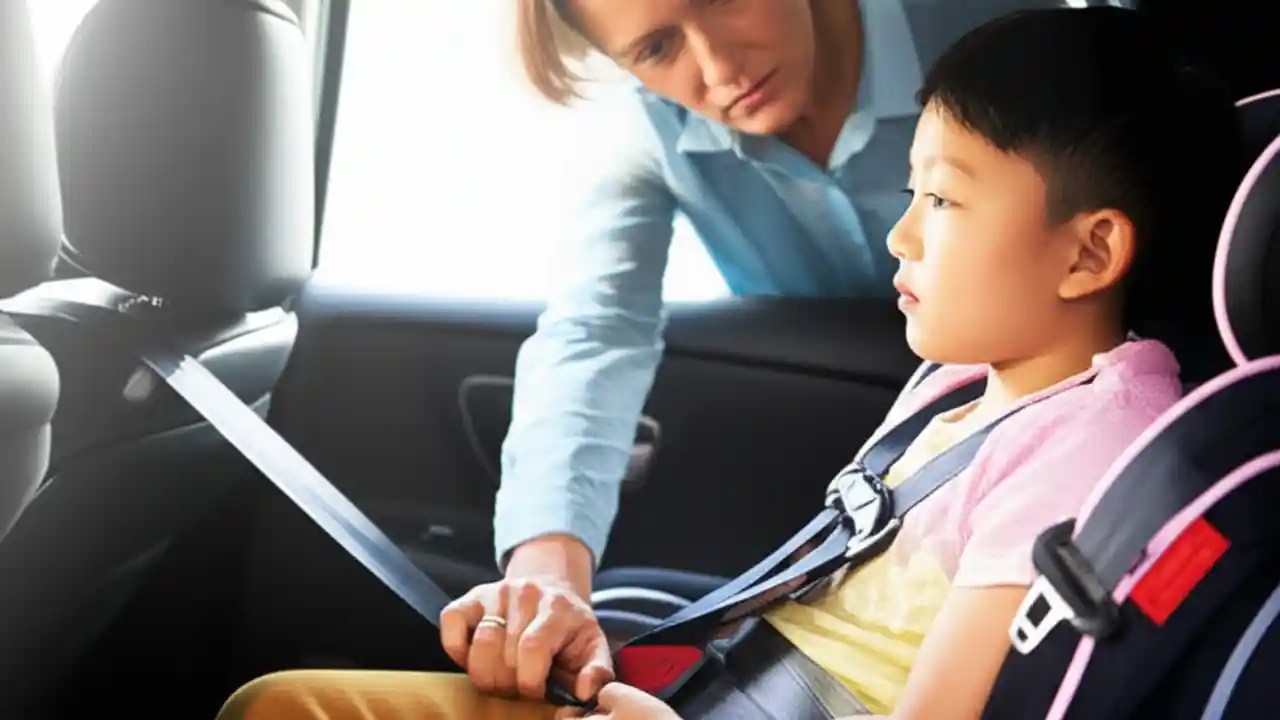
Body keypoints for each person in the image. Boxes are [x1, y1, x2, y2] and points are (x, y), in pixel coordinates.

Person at [211, 5, 1243, 719]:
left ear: (1090, 248)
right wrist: (546, 572)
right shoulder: (956, 381)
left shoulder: (1005, 75)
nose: (708, 67)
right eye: (655, 47)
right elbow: (591, 333)